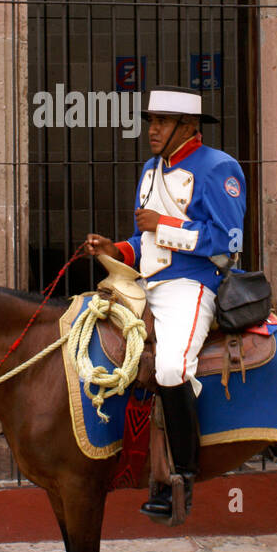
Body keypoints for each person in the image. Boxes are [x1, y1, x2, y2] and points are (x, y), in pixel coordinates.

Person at [85, 85, 246, 521]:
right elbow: (145, 241)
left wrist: (166, 224)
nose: (151, 129)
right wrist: (114, 249)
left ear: (188, 127)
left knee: (172, 367)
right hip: (145, 284)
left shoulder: (219, 168)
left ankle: (185, 475)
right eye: (150, 121)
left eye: (161, 122)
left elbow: (229, 243)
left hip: (191, 285)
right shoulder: (151, 169)